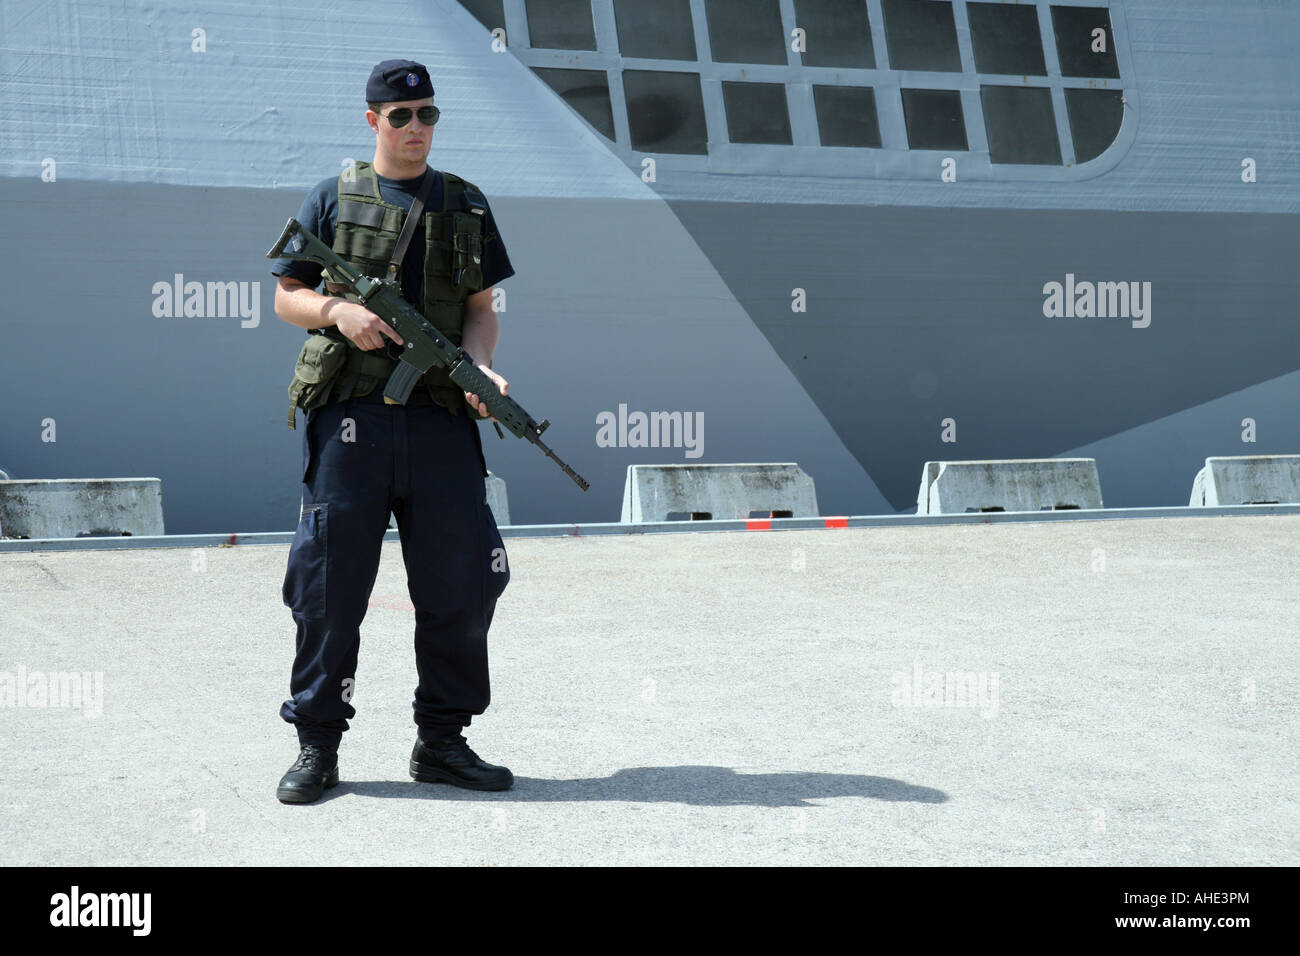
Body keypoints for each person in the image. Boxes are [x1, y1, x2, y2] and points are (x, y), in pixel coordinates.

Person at [270, 59, 515, 804]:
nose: (416, 129)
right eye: (401, 116)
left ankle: (442, 742)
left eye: (429, 115)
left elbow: (480, 306)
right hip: (352, 419)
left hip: (440, 419)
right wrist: (337, 313)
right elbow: (287, 294)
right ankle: (318, 745)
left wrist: (481, 371)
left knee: (461, 585)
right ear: (372, 119)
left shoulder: (466, 204)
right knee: (330, 586)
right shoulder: (334, 196)